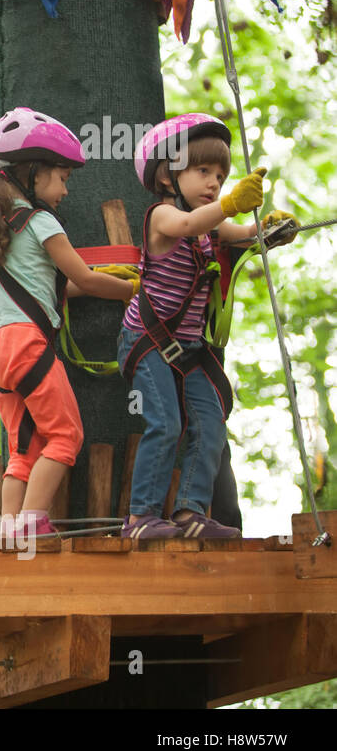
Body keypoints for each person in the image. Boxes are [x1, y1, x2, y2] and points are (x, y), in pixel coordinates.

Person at [118, 113, 294, 538]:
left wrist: (268, 231)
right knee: (167, 423)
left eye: (220, 174)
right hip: (146, 341)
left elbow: (240, 232)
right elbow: (190, 224)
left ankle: (189, 512)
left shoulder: (210, 224)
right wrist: (230, 203)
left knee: (211, 422)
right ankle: (141, 517)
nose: (214, 182)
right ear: (167, 175)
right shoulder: (162, 216)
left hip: (189, 349)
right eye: (202, 171)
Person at [0, 107, 136, 541]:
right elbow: (83, 276)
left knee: (22, 451)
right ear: (33, 173)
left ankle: (9, 531)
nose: (66, 189)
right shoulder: (42, 222)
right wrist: (136, 290)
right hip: (29, 345)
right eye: (62, 177)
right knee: (66, 437)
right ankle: (32, 524)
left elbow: (57, 290)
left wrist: (108, 284)